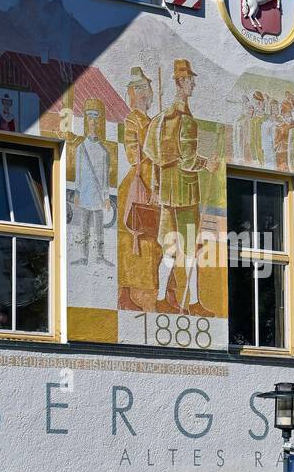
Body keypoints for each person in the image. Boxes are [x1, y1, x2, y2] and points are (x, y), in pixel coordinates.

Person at [143, 59, 217, 315]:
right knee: (190, 250)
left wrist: (156, 183)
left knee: (170, 249)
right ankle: (193, 302)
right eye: (190, 79)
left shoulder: (164, 117)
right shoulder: (184, 119)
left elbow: (154, 154)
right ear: (180, 83)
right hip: (185, 195)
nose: (194, 83)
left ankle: (164, 298)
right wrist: (207, 164)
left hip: (167, 194)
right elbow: (187, 160)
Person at [118, 65, 159, 311]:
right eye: (139, 89)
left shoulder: (152, 120)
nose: (144, 93)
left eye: (146, 88)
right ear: (132, 93)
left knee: (153, 242)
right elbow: (134, 154)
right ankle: (128, 294)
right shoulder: (132, 120)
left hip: (155, 181)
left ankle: (150, 295)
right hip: (139, 183)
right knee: (133, 238)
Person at [72, 101, 112, 267]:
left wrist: (107, 196)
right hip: (85, 194)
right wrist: (77, 192)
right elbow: (78, 173)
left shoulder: (104, 151)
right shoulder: (81, 148)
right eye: (90, 121)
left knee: (99, 229)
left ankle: (100, 256)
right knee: (83, 227)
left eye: (96, 122)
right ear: (87, 123)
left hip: (98, 195)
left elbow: (105, 178)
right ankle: (83, 256)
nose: (93, 124)